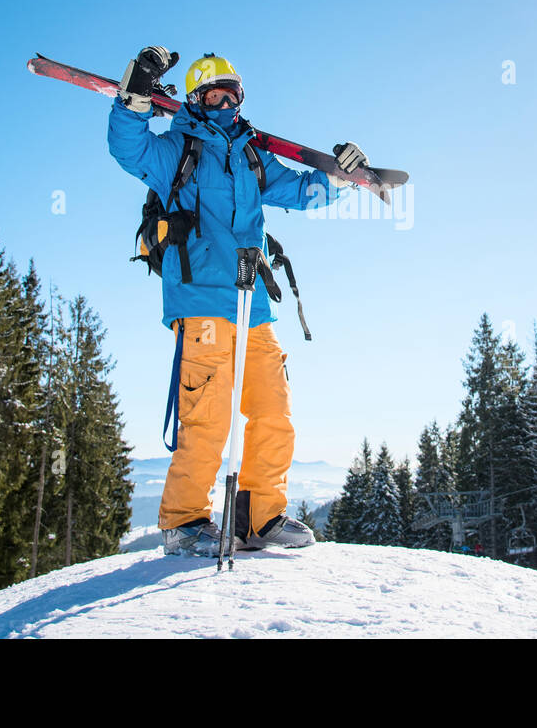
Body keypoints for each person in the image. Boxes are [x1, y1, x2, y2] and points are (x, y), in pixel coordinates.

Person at [108, 47, 368, 557]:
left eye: (234, 94)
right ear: (195, 99)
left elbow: (301, 193)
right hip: (201, 302)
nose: (226, 103)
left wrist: (338, 178)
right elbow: (127, 149)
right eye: (215, 94)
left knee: (274, 411)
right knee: (206, 416)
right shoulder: (177, 151)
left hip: (254, 305)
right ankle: (184, 524)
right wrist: (134, 96)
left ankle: (259, 518)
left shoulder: (250, 156)